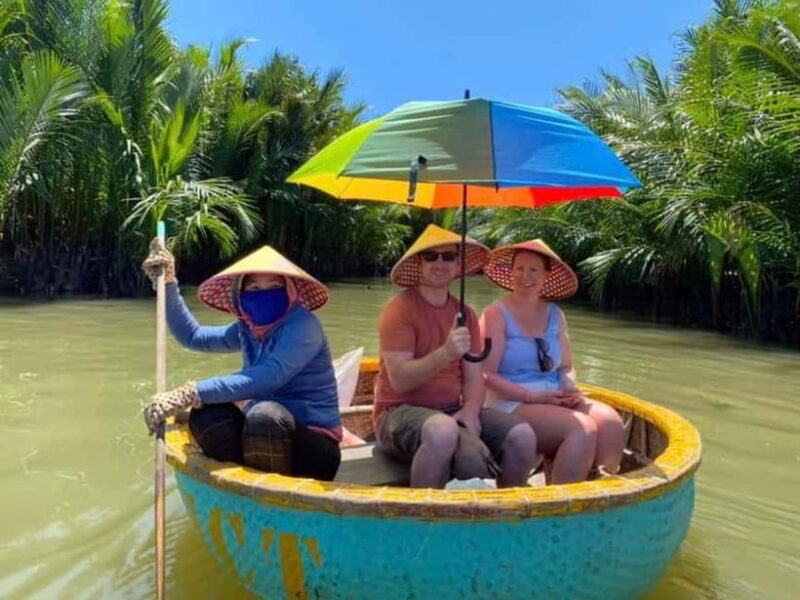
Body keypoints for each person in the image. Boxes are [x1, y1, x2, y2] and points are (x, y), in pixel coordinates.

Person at [141, 239, 341, 481]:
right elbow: (194, 336)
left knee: (264, 416)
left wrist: (189, 392)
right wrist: (168, 284)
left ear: (289, 291)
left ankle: (271, 492)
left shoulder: (303, 325)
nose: (264, 293)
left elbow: (270, 376)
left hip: (314, 449)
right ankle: (245, 484)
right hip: (261, 439)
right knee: (207, 413)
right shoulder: (247, 329)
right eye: (254, 288)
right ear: (241, 295)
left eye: (274, 285)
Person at [373, 224, 539, 489]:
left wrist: (471, 412)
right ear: (419, 263)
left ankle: (506, 518)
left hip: (452, 408)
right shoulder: (399, 310)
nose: (440, 262)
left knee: (522, 435)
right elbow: (400, 380)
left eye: (448, 256)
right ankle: (426, 520)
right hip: (397, 413)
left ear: (457, 264)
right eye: (431, 256)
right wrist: (446, 353)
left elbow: (474, 377)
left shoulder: (466, 314)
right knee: (442, 430)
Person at [479, 240, 624, 483]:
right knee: (582, 430)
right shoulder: (496, 314)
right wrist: (531, 397)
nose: (525, 276)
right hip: (509, 402)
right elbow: (486, 375)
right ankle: (561, 507)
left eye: (534, 269)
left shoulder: (556, 314)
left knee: (610, 422)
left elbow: (566, 366)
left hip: (554, 396)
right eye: (519, 269)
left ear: (546, 275)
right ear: (510, 272)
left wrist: (568, 388)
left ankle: (602, 491)